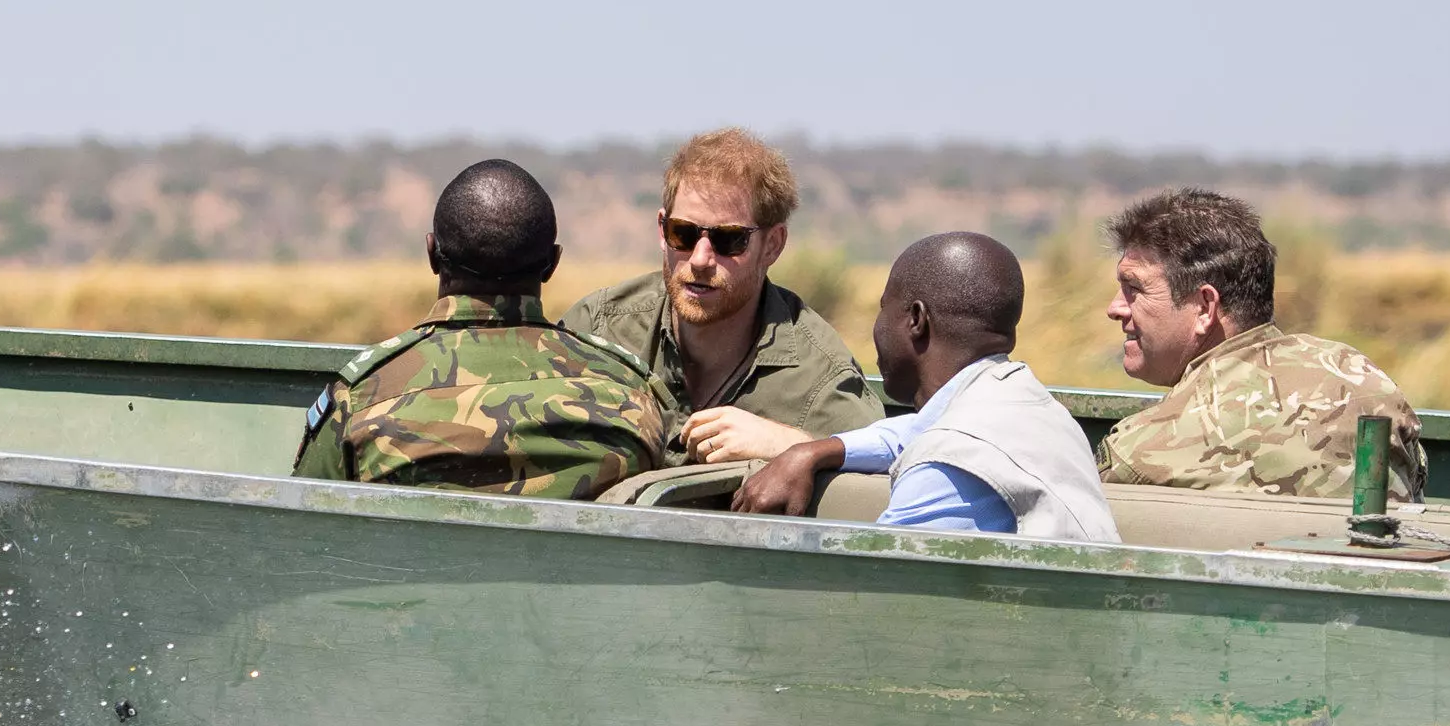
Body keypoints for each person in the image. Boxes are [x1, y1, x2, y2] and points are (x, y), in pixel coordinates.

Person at [292, 160, 673, 499]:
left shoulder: (362, 399)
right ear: (552, 263)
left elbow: (302, 528)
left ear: (431, 254)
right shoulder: (632, 391)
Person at [735, 233, 1120, 542]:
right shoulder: (1029, 405)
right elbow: (916, 431)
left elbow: (871, 608)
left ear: (916, 319)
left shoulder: (944, 471)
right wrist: (811, 452)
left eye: (884, 308)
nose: (877, 329)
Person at [560, 128, 878, 466]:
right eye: (682, 233)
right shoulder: (596, 332)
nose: (700, 259)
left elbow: (885, 472)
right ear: (661, 229)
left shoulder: (818, 376)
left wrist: (797, 447)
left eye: (728, 240)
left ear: (772, 245)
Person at [1095, 188, 1423, 501]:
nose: (1115, 308)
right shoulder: (1367, 384)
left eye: (1133, 289)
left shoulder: (1141, 452)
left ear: (1204, 308)